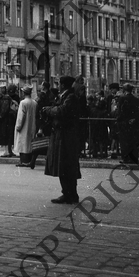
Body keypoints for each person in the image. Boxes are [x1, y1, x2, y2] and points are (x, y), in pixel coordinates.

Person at [44, 75, 83, 204]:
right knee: (63, 166)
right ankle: (67, 193)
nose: (58, 86)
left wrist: (49, 110)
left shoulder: (70, 97)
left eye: (60, 84)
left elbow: (62, 111)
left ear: (63, 85)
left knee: (67, 166)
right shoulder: (65, 96)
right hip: (62, 135)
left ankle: (70, 194)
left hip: (67, 136)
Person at [14, 87, 37, 167]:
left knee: (22, 143)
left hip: (24, 126)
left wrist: (18, 126)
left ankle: (23, 161)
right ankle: (29, 160)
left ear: (24, 93)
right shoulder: (34, 102)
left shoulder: (23, 103)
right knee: (29, 143)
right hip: (32, 125)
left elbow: (21, 116)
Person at [0, 86, 16, 157]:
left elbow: (4, 110)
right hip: (9, 120)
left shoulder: (5, 99)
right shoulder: (8, 98)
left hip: (5, 121)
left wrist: (0, 116)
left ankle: (7, 151)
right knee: (9, 135)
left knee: (5, 135)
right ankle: (9, 151)